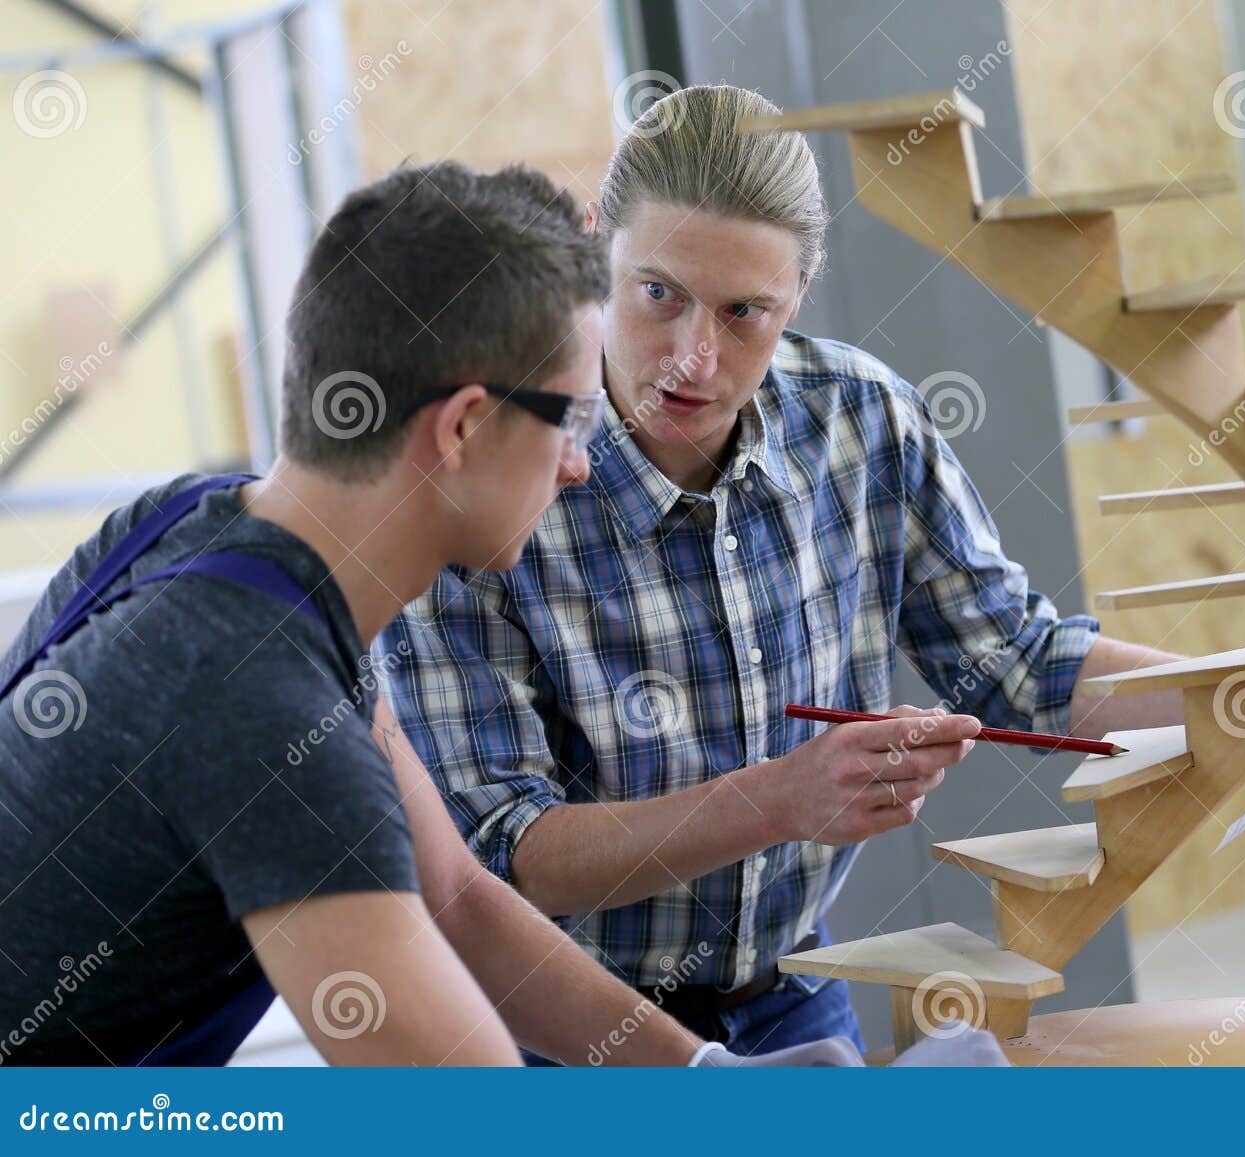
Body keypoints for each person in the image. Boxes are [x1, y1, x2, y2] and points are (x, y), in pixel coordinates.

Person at [376, 86, 1245, 1058]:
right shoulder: (492, 471)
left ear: (799, 294)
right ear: (595, 260)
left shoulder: (862, 417)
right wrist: (779, 798)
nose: (693, 357)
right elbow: (505, 856)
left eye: (745, 313)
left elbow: (1018, 662)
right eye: (658, 293)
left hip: (787, 988)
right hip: (556, 1025)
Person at [0, 159, 999, 1068]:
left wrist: (710, 1080)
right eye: (572, 419)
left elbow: (460, 898)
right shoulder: (258, 704)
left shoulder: (192, 528)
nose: (579, 465)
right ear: (466, 425)